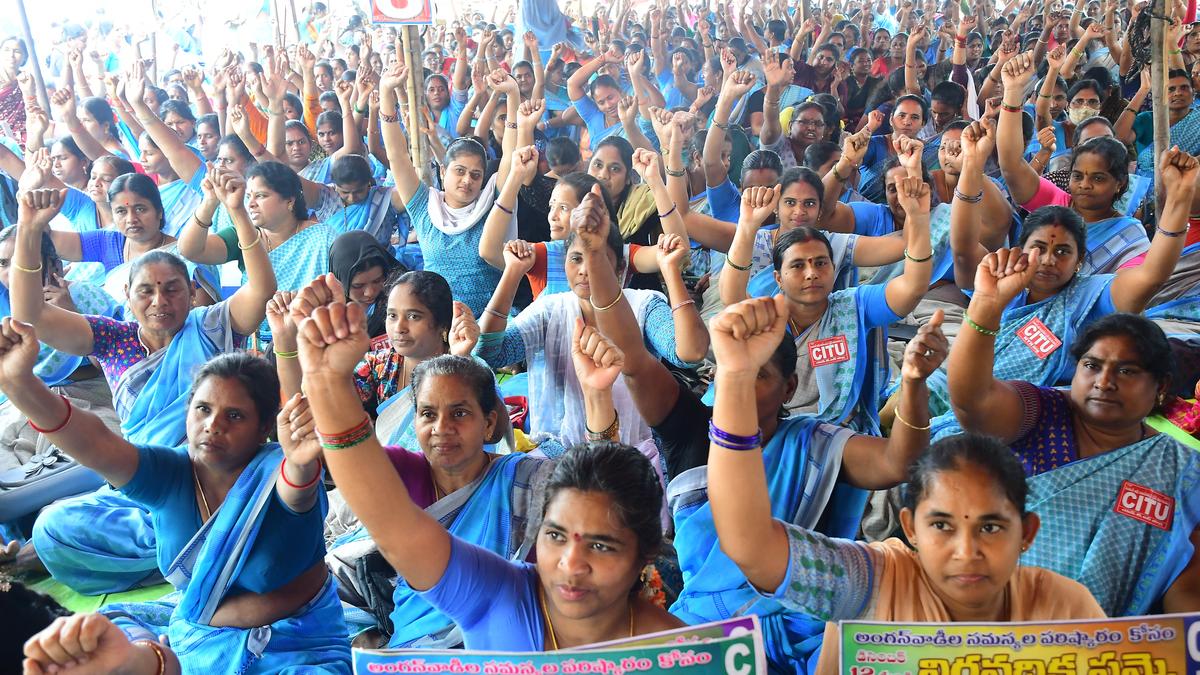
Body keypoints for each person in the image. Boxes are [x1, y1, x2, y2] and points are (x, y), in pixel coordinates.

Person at [295, 295, 684, 650]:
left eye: (601, 546)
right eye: (554, 536)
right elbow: (394, 523)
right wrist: (324, 380)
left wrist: (597, 396)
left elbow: (600, 494)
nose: (571, 564)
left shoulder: (676, 649)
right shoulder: (500, 596)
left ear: (645, 555)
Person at [0, 333, 350, 672]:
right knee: (101, 631)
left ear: (263, 429)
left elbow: (297, 489)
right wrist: (19, 383)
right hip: (195, 636)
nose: (213, 425)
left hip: (295, 646)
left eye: (235, 415)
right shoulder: (170, 472)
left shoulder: (276, 472)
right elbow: (95, 442)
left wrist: (301, 463)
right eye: (203, 409)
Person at [11, 182, 274, 595]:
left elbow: (261, 289)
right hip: (143, 483)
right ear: (128, 296)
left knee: (236, 509)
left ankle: (191, 547)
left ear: (191, 292)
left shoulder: (212, 324)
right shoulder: (111, 338)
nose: (159, 301)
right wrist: (28, 230)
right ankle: (192, 552)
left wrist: (238, 212)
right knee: (53, 526)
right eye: (146, 291)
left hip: (216, 477)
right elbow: (31, 315)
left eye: (172, 289)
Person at [946, 250, 1200, 615]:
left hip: (1100, 640)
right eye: (1092, 365)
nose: (1104, 382)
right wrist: (986, 307)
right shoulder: (1043, 410)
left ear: (1160, 387)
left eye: (1127, 371)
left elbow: (1186, 583)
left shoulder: (1182, 471)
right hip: (986, 618)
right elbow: (973, 402)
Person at [928, 143, 1198, 421]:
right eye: (1039, 248)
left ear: (1079, 260)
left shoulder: (1091, 296)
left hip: (1017, 411)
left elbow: (1151, 276)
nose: (1048, 260)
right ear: (1021, 250)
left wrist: (1180, 198)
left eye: (1062, 252)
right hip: (959, 383)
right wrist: (971, 168)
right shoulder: (1002, 281)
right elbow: (963, 247)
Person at [476, 178, 707, 447]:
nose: (585, 270)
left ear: (620, 268)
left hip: (635, 449)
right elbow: (491, 353)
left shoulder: (644, 305)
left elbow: (688, 354)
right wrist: (513, 272)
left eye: (599, 257)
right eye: (576, 258)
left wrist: (671, 271)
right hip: (560, 450)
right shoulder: (550, 310)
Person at [718, 177, 931, 432]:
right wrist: (747, 225)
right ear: (778, 278)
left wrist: (918, 218)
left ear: (833, 267)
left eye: (820, 263)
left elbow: (911, 288)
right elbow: (731, 297)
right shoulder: (767, 317)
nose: (811, 274)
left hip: (837, 429)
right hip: (772, 427)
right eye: (798, 266)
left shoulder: (853, 306)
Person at [380, 62, 517, 317]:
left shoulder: (492, 203)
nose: (467, 180)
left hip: (490, 324)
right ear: (443, 172)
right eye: (459, 171)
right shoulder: (424, 206)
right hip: (438, 325)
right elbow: (397, 156)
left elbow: (510, 155)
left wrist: (512, 94)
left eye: (475, 175)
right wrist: (386, 93)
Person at [997, 54, 1151, 274]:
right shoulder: (1058, 203)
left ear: (1120, 182)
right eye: (1078, 176)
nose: (1084, 185)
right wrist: (1012, 92)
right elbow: (1011, 166)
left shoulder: (1129, 234)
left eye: (1098, 178)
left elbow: (1133, 282)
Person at [328, 230, 403, 346]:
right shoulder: (328, 310)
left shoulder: (403, 297)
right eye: (358, 286)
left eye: (377, 281)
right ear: (340, 280)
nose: (370, 293)